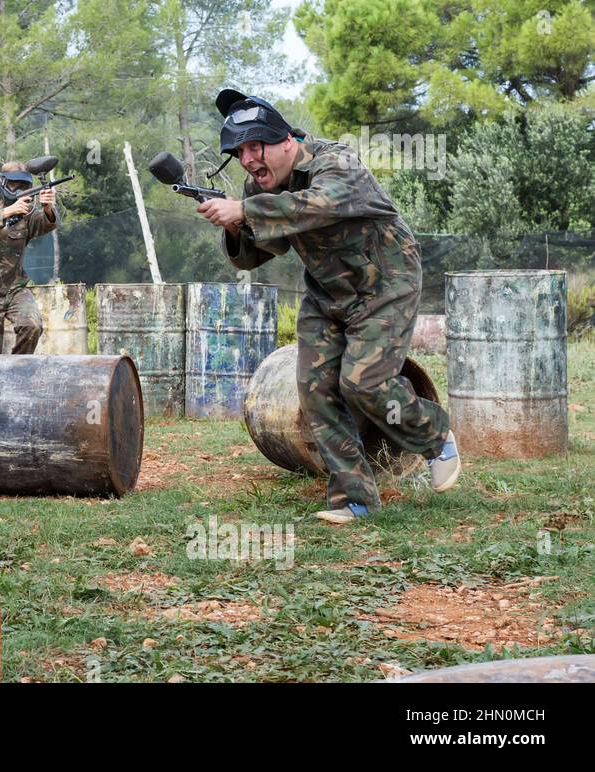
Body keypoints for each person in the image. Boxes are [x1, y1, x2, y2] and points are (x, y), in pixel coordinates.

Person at [194, 89, 460, 524]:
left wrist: (244, 209)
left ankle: (434, 433)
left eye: (254, 147)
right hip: (326, 292)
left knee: (364, 383)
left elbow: (321, 206)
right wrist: (234, 224)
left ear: (284, 141)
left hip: (385, 284)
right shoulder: (260, 187)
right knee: (316, 389)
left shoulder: (337, 163)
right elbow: (260, 252)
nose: (247, 160)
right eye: (239, 152)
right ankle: (353, 499)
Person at [0, 160, 60, 354]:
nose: (18, 189)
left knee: (32, 326)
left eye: (24, 185)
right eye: (13, 184)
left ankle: (16, 369)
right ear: (2, 183)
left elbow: (46, 223)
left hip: (14, 288)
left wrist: (48, 207)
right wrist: (9, 211)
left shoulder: (28, 211)